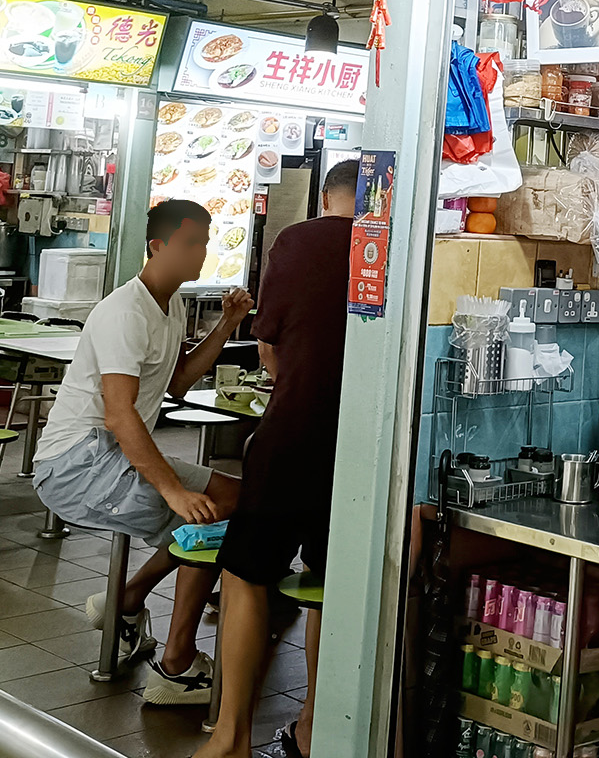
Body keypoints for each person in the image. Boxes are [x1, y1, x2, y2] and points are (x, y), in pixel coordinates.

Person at [31, 199, 253, 706]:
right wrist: (172, 490)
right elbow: (119, 414)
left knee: (235, 499)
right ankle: (174, 667)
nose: (202, 252)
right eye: (192, 242)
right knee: (209, 523)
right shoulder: (125, 312)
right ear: (158, 245)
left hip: (115, 452)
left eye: (205, 241)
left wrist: (226, 324)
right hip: (75, 463)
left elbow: (173, 383)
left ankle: (127, 598)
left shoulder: (169, 303)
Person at [194, 160, 358, 758]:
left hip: (294, 436)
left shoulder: (299, 240)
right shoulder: (401, 249)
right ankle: (315, 730)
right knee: (331, 582)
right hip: (371, 448)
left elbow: (271, 350)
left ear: (324, 195)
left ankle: (230, 735)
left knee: (246, 573)